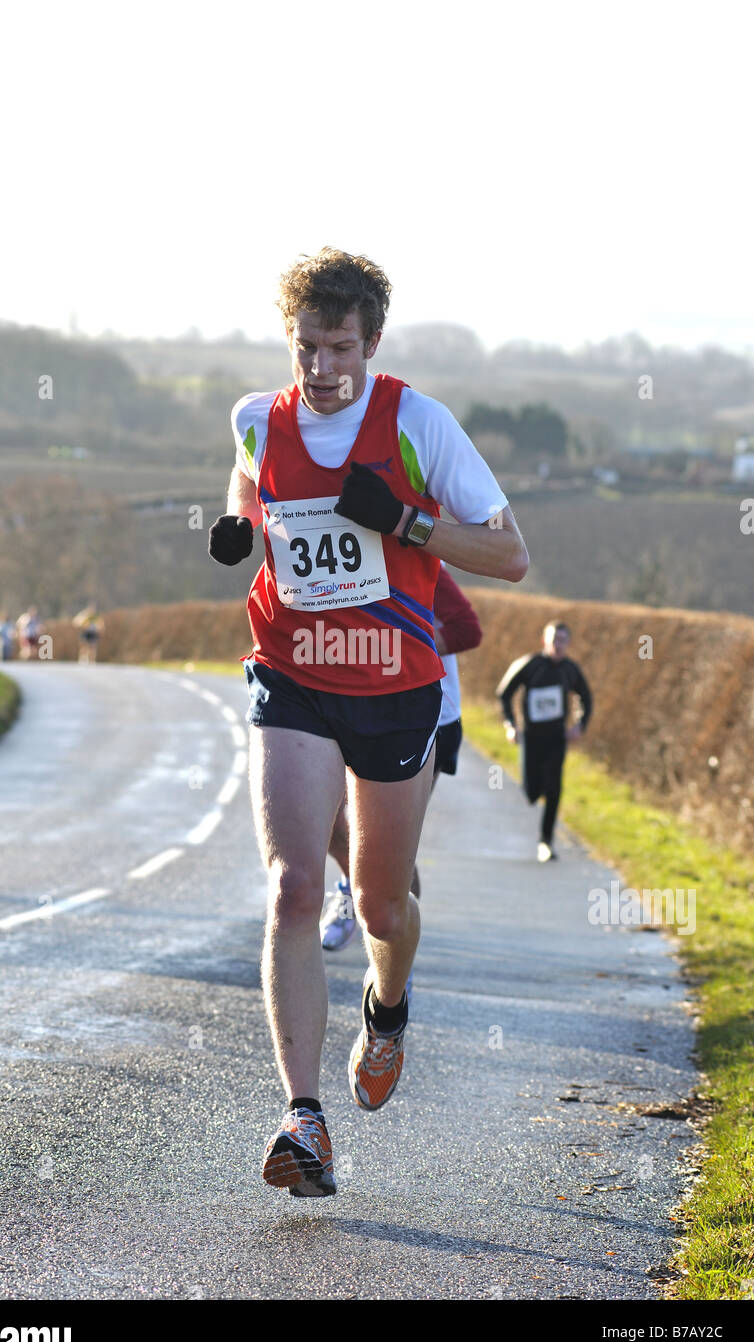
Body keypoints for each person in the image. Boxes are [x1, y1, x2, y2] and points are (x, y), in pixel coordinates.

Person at [208, 247, 528, 1199]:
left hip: (394, 687)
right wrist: (240, 527)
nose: (319, 368)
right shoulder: (257, 419)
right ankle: (303, 1121)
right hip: (291, 672)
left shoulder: (419, 424)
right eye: (305, 347)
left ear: (372, 342)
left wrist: (407, 523)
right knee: (294, 886)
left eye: (338, 347)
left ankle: (386, 1009)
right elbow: (246, 476)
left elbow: (510, 554)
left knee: (383, 905)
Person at [320, 564, 483, 956]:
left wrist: (401, 651)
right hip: (355, 710)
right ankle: (350, 885)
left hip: (428, 718)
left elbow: (466, 629)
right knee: (326, 820)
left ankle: (396, 955)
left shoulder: (419, 556)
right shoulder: (334, 553)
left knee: (390, 843)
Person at [496, 620, 593, 862]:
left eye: (562, 641)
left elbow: (587, 698)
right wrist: (510, 724)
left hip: (557, 738)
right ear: (544, 641)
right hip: (531, 736)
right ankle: (534, 790)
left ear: (568, 643)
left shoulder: (570, 670)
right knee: (531, 792)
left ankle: (546, 841)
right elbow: (505, 693)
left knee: (554, 787)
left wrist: (579, 725)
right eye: (553, 640)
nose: (557, 645)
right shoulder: (531, 665)